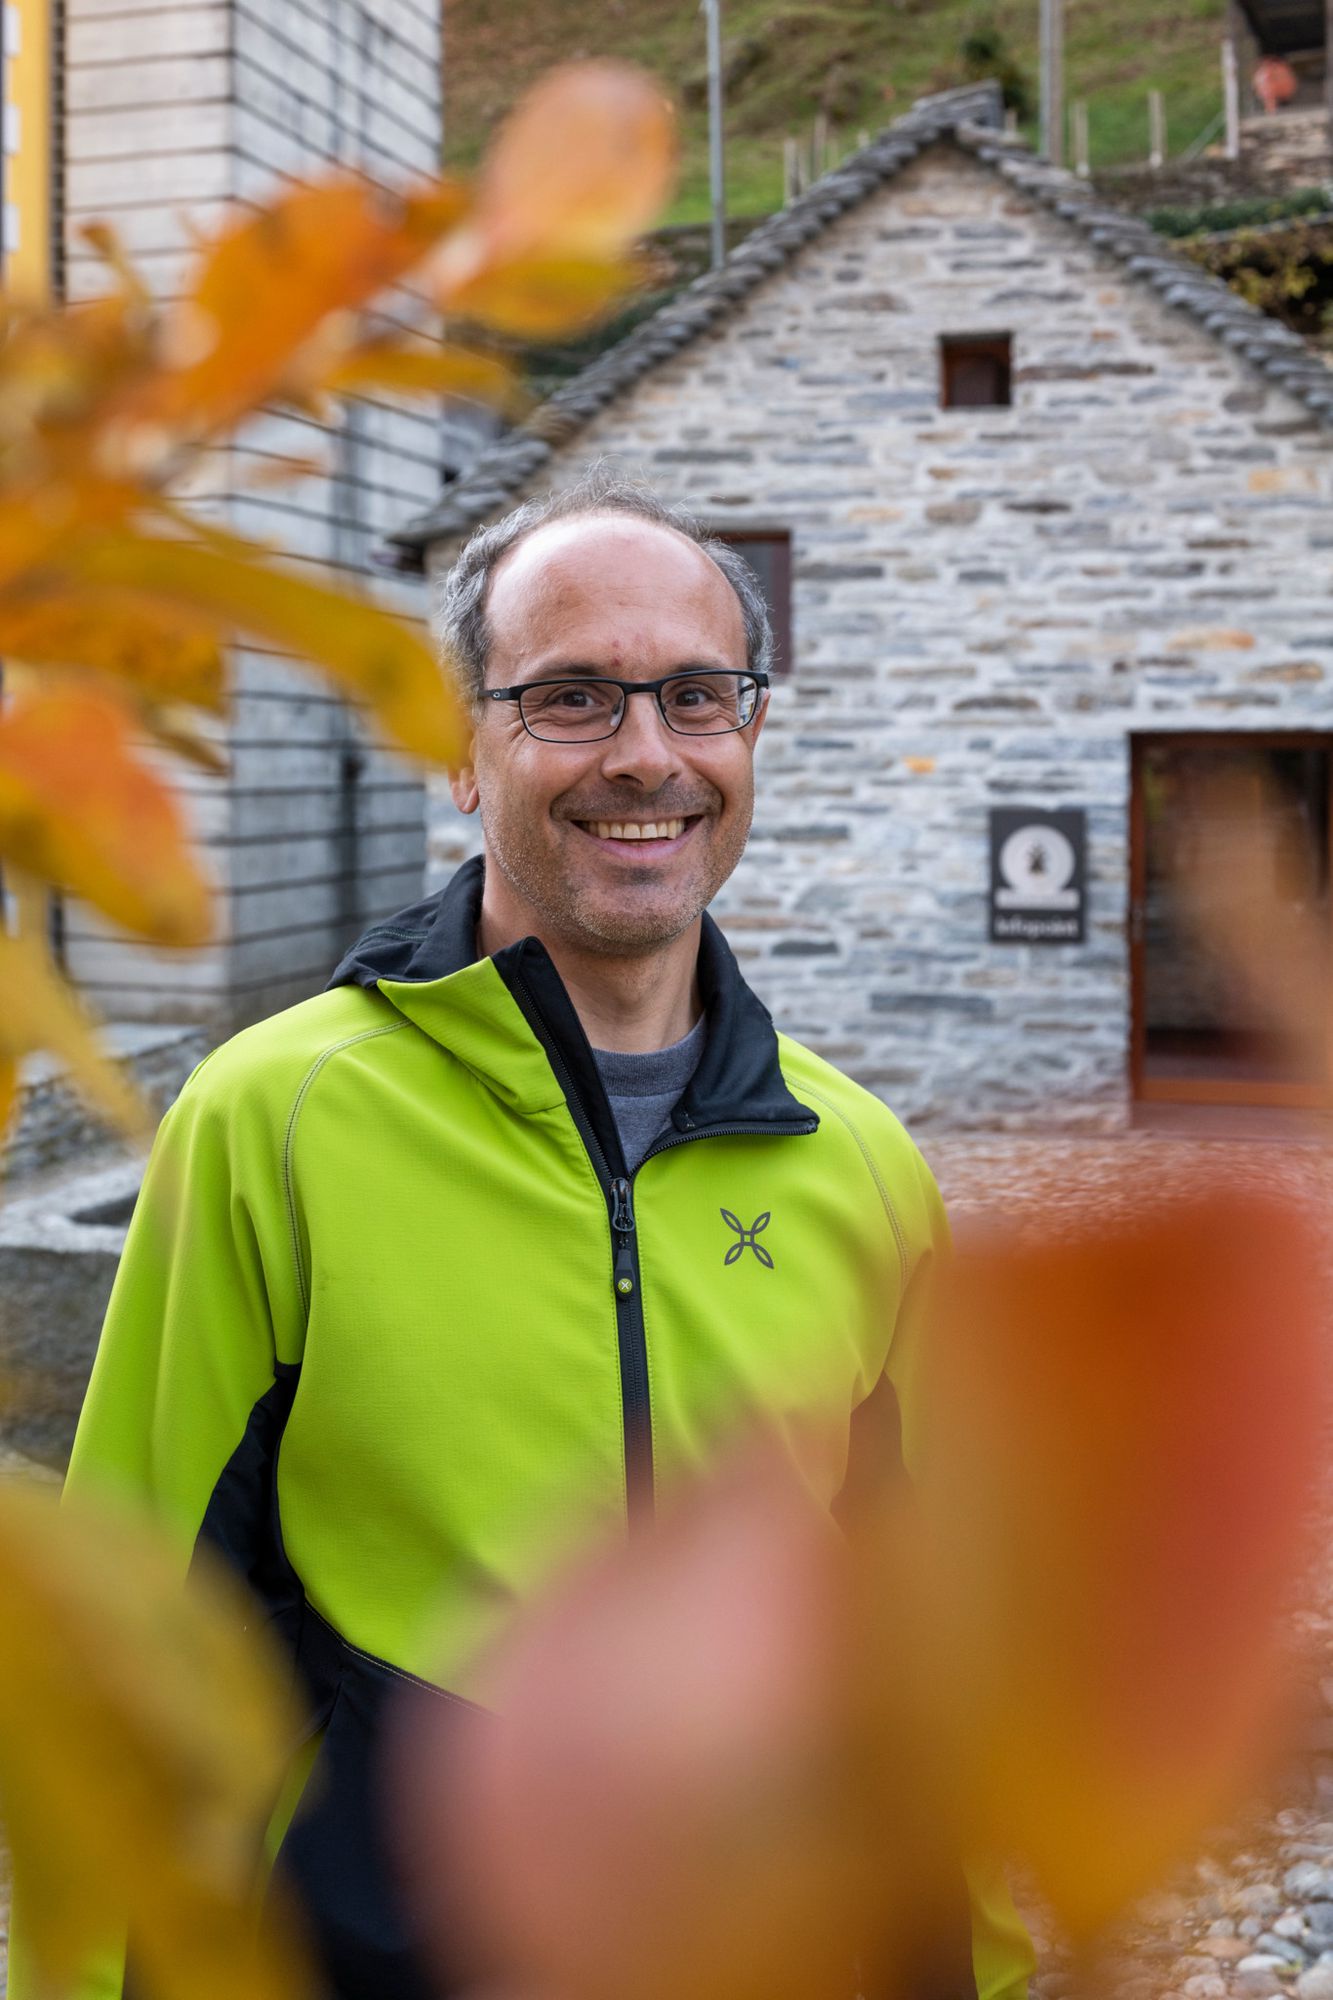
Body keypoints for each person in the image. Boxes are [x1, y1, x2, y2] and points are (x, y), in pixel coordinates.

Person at [11, 469, 1035, 2000]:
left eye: (695, 696)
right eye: (569, 697)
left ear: (748, 732)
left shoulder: (861, 1165)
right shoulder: (272, 1120)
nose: (644, 756)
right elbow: (133, 1636)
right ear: (460, 753)